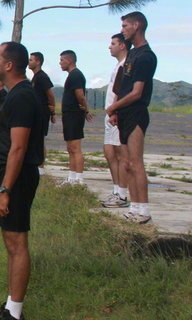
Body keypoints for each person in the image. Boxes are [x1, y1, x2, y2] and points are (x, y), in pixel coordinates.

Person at [0, 42, 44, 320]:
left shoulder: (21, 97)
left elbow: (18, 148)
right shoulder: (12, 95)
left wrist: (5, 191)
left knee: (17, 243)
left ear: (9, 65)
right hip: (5, 176)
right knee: (10, 242)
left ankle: (15, 317)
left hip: (14, 180)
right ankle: (10, 307)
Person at [105, 12, 158, 224]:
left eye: (126, 25)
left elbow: (136, 92)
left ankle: (143, 210)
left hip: (136, 113)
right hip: (124, 114)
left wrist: (113, 106)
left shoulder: (146, 56)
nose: (123, 29)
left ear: (137, 25)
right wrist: (117, 112)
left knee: (136, 163)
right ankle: (134, 207)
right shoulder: (133, 55)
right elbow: (124, 86)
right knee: (126, 163)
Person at [101, 33, 131, 209]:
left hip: (117, 115)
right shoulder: (117, 66)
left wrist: (116, 110)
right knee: (109, 153)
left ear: (122, 46)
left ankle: (122, 194)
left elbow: (124, 91)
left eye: (113, 43)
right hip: (110, 114)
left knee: (120, 154)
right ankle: (116, 190)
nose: (109, 46)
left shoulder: (127, 65)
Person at [59, 50, 92, 186]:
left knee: (75, 147)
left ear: (69, 61)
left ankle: (79, 179)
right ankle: (72, 178)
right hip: (68, 115)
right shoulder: (71, 75)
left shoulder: (76, 75)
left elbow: (80, 95)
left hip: (74, 115)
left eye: (61, 60)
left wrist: (86, 109)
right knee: (70, 148)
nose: (60, 63)